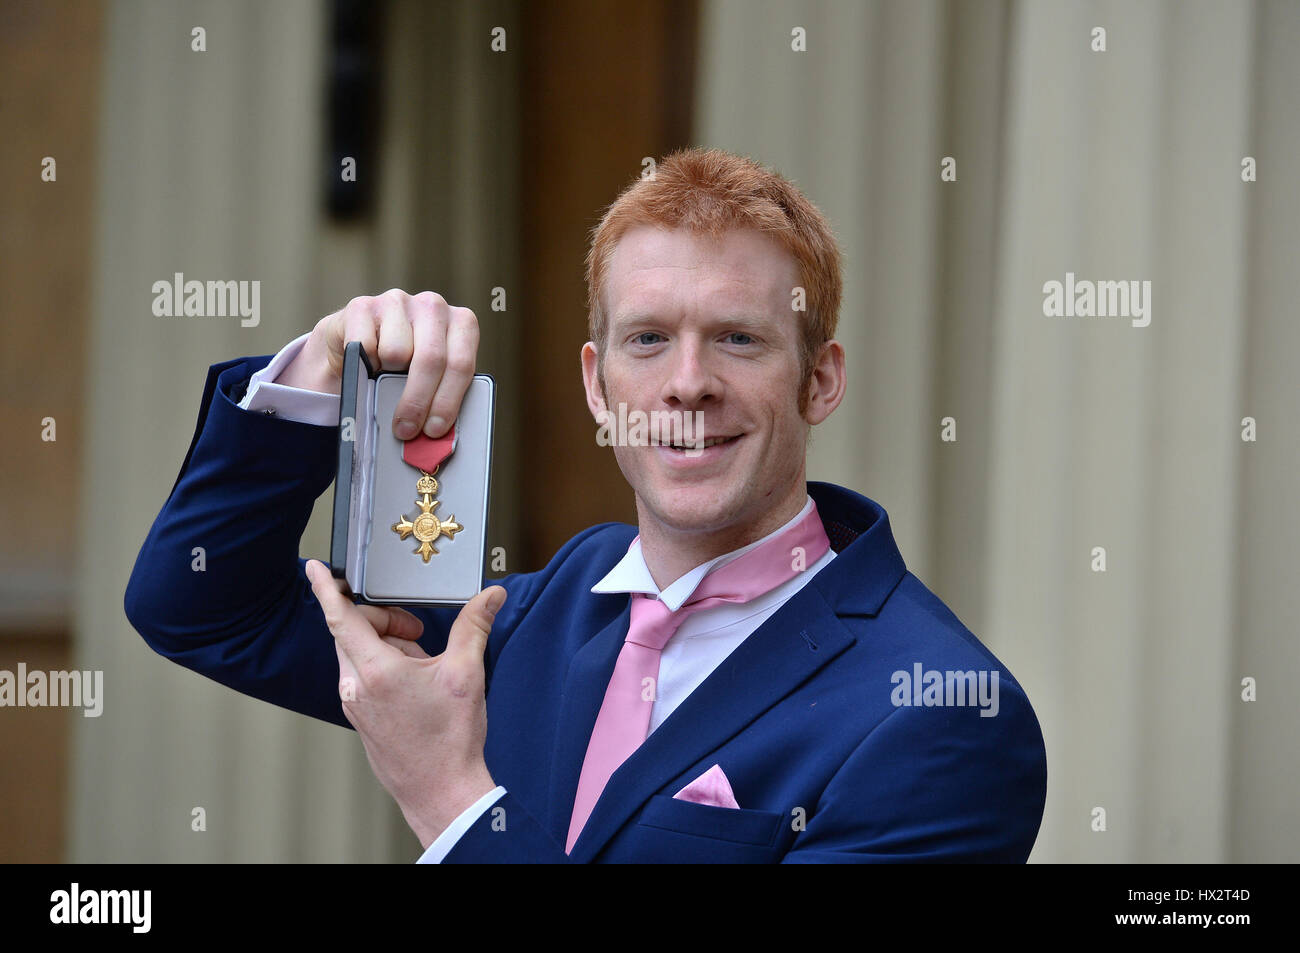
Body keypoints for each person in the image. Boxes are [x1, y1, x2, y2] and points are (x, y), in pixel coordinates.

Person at [125, 147, 1047, 862]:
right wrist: (319, 377)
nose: (689, 384)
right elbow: (202, 605)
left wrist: (452, 804)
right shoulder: (534, 615)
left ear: (821, 380)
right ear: (598, 385)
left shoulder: (945, 716)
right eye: (647, 339)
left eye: (738, 337)